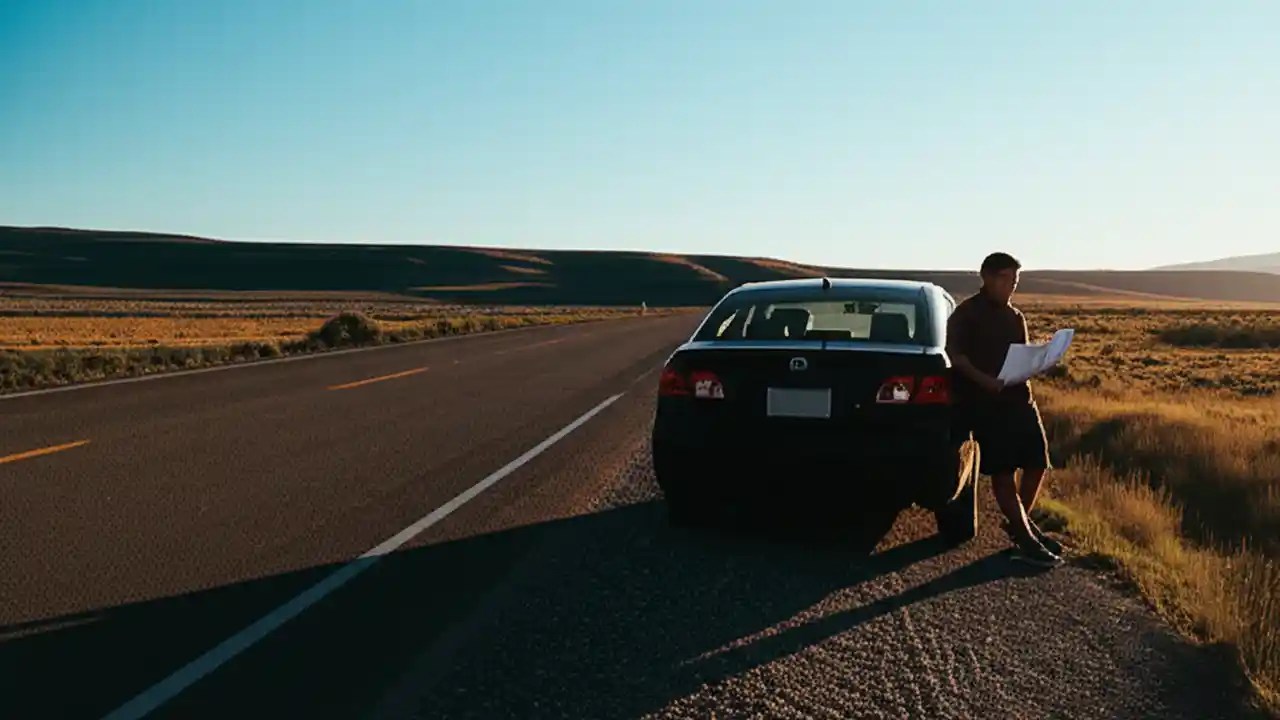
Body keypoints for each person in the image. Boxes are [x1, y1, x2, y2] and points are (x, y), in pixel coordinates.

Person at [946, 252, 1066, 567]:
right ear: (986, 277)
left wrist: (1042, 360)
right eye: (1006, 279)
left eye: (1015, 280)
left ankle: (1019, 525)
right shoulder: (966, 314)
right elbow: (957, 358)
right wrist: (984, 381)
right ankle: (1027, 541)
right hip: (987, 404)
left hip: (1020, 399)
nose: (1011, 286)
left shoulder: (1015, 317)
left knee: (1037, 463)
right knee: (1002, 473)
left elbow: (1021, 354)